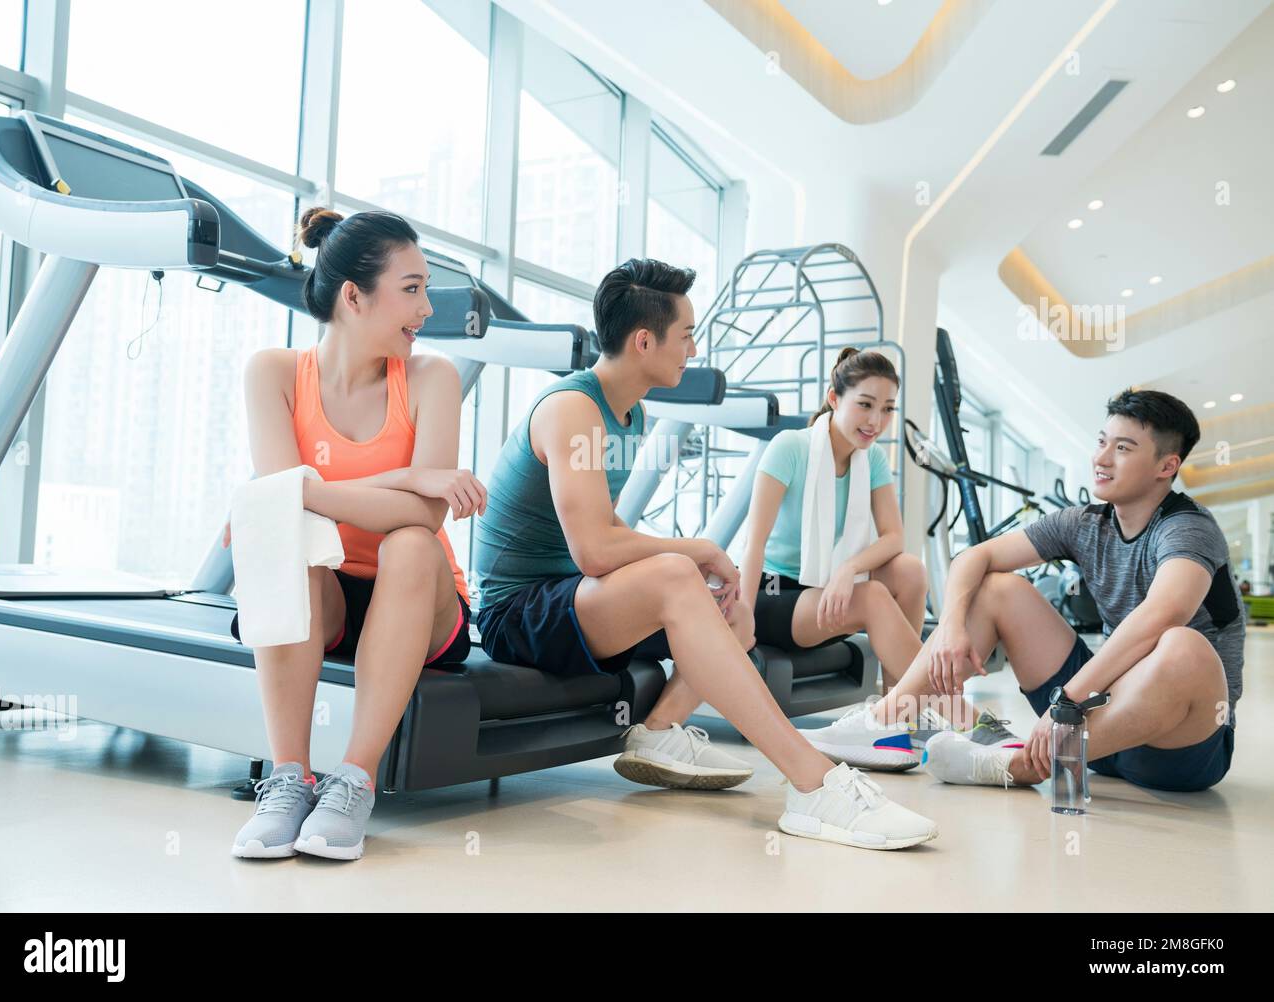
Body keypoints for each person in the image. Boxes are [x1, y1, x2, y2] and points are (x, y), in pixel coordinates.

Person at [472, 258, 938, 850]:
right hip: (518, 611)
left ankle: (657, 731)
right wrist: (694, 550)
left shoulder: (629, 411)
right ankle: (814, 782)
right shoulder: (573, 409)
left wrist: (710, 576)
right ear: (645, 341)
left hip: (569, 599)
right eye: (686, 334)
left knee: (715, 598)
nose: (694, 346)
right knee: (676, 572)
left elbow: (601, 520)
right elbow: (592, 550)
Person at [228, 208, 486, 860]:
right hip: (329, 588)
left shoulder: (432, 378)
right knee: (291, 543)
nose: (427, 307)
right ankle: (288, 779)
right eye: (412, 288)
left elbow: (423, 519)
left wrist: (305, 491)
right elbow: (287, 514)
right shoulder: (275, 374)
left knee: (407, 544)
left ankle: (354, 779)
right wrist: (405, 476)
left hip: (421, 599)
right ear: (353, 296)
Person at [875, 389, 1242, 794]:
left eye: (1123, 448)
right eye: (1102, 442)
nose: (1102, 458)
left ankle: (1021, 764)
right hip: (1096, 727)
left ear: (1166, 465)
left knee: (1182, 646)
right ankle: (882, 722)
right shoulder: (1084, 523)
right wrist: (949, 627)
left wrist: (1066, 703)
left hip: (1175, 749)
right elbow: (973, 557)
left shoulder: (1188, 527)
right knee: (998, 588)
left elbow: (1162, 614)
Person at [736, 347, 936, 771]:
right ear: (833, 398)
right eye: (864, 404)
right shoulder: (790, 447)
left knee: (911, 572)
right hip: (778, 595)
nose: (875, 421)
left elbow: (894, 537)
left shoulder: (872, 459)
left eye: (886, 409)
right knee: (875, 597)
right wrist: (741, 620)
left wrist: (848, 569)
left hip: (830, 592)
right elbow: (753, 543)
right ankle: (943, 711)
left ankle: (893, 720)